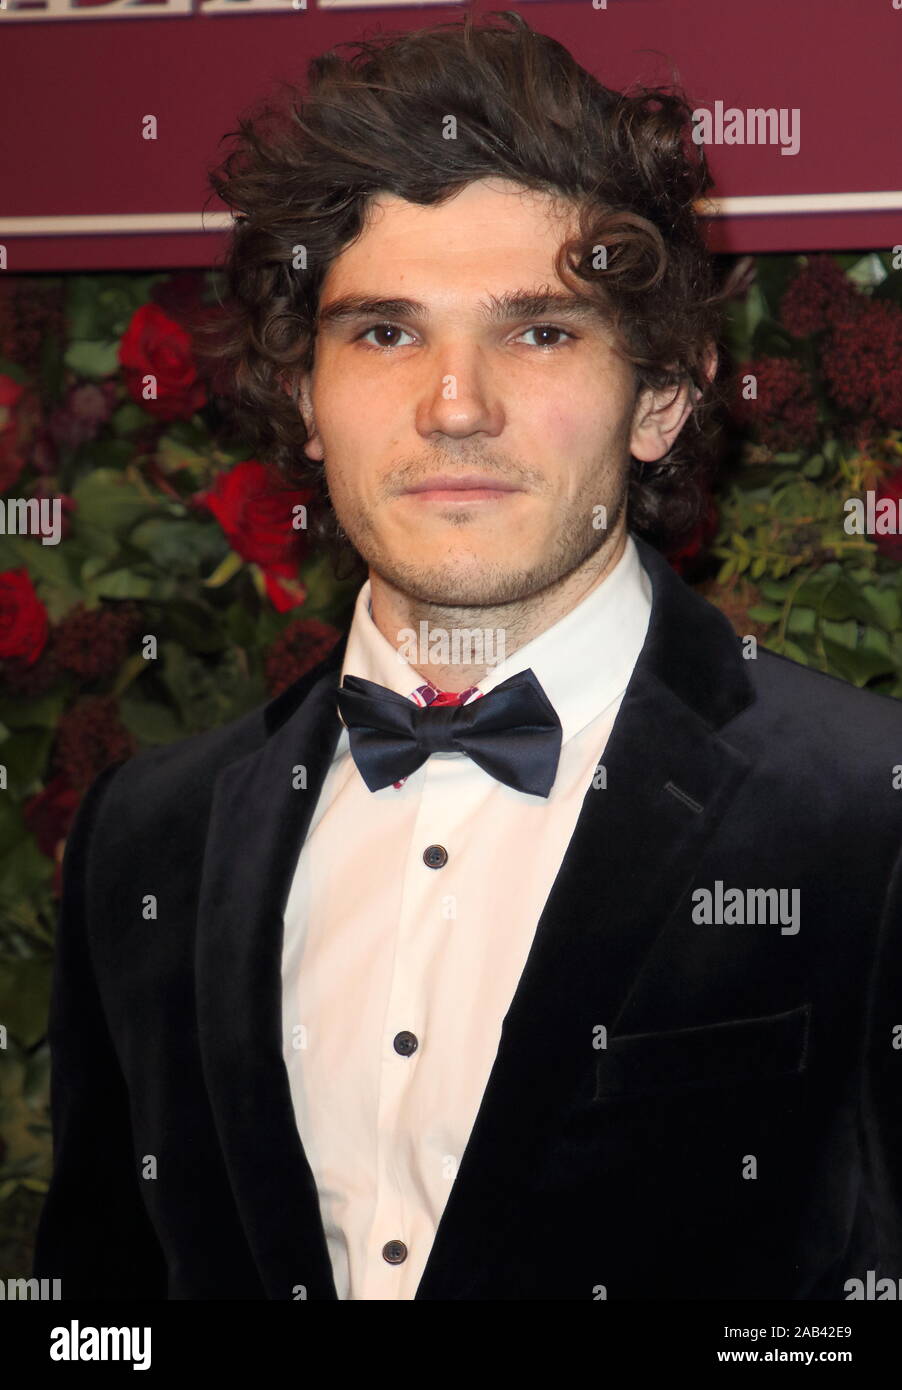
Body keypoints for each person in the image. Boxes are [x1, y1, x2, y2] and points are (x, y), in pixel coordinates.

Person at [33, 10, 902, 1300]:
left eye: (539, 331)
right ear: (304, 398)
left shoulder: (866, 814)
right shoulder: (146, 837)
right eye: (385, 333)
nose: (455, 405)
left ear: (660, 397)